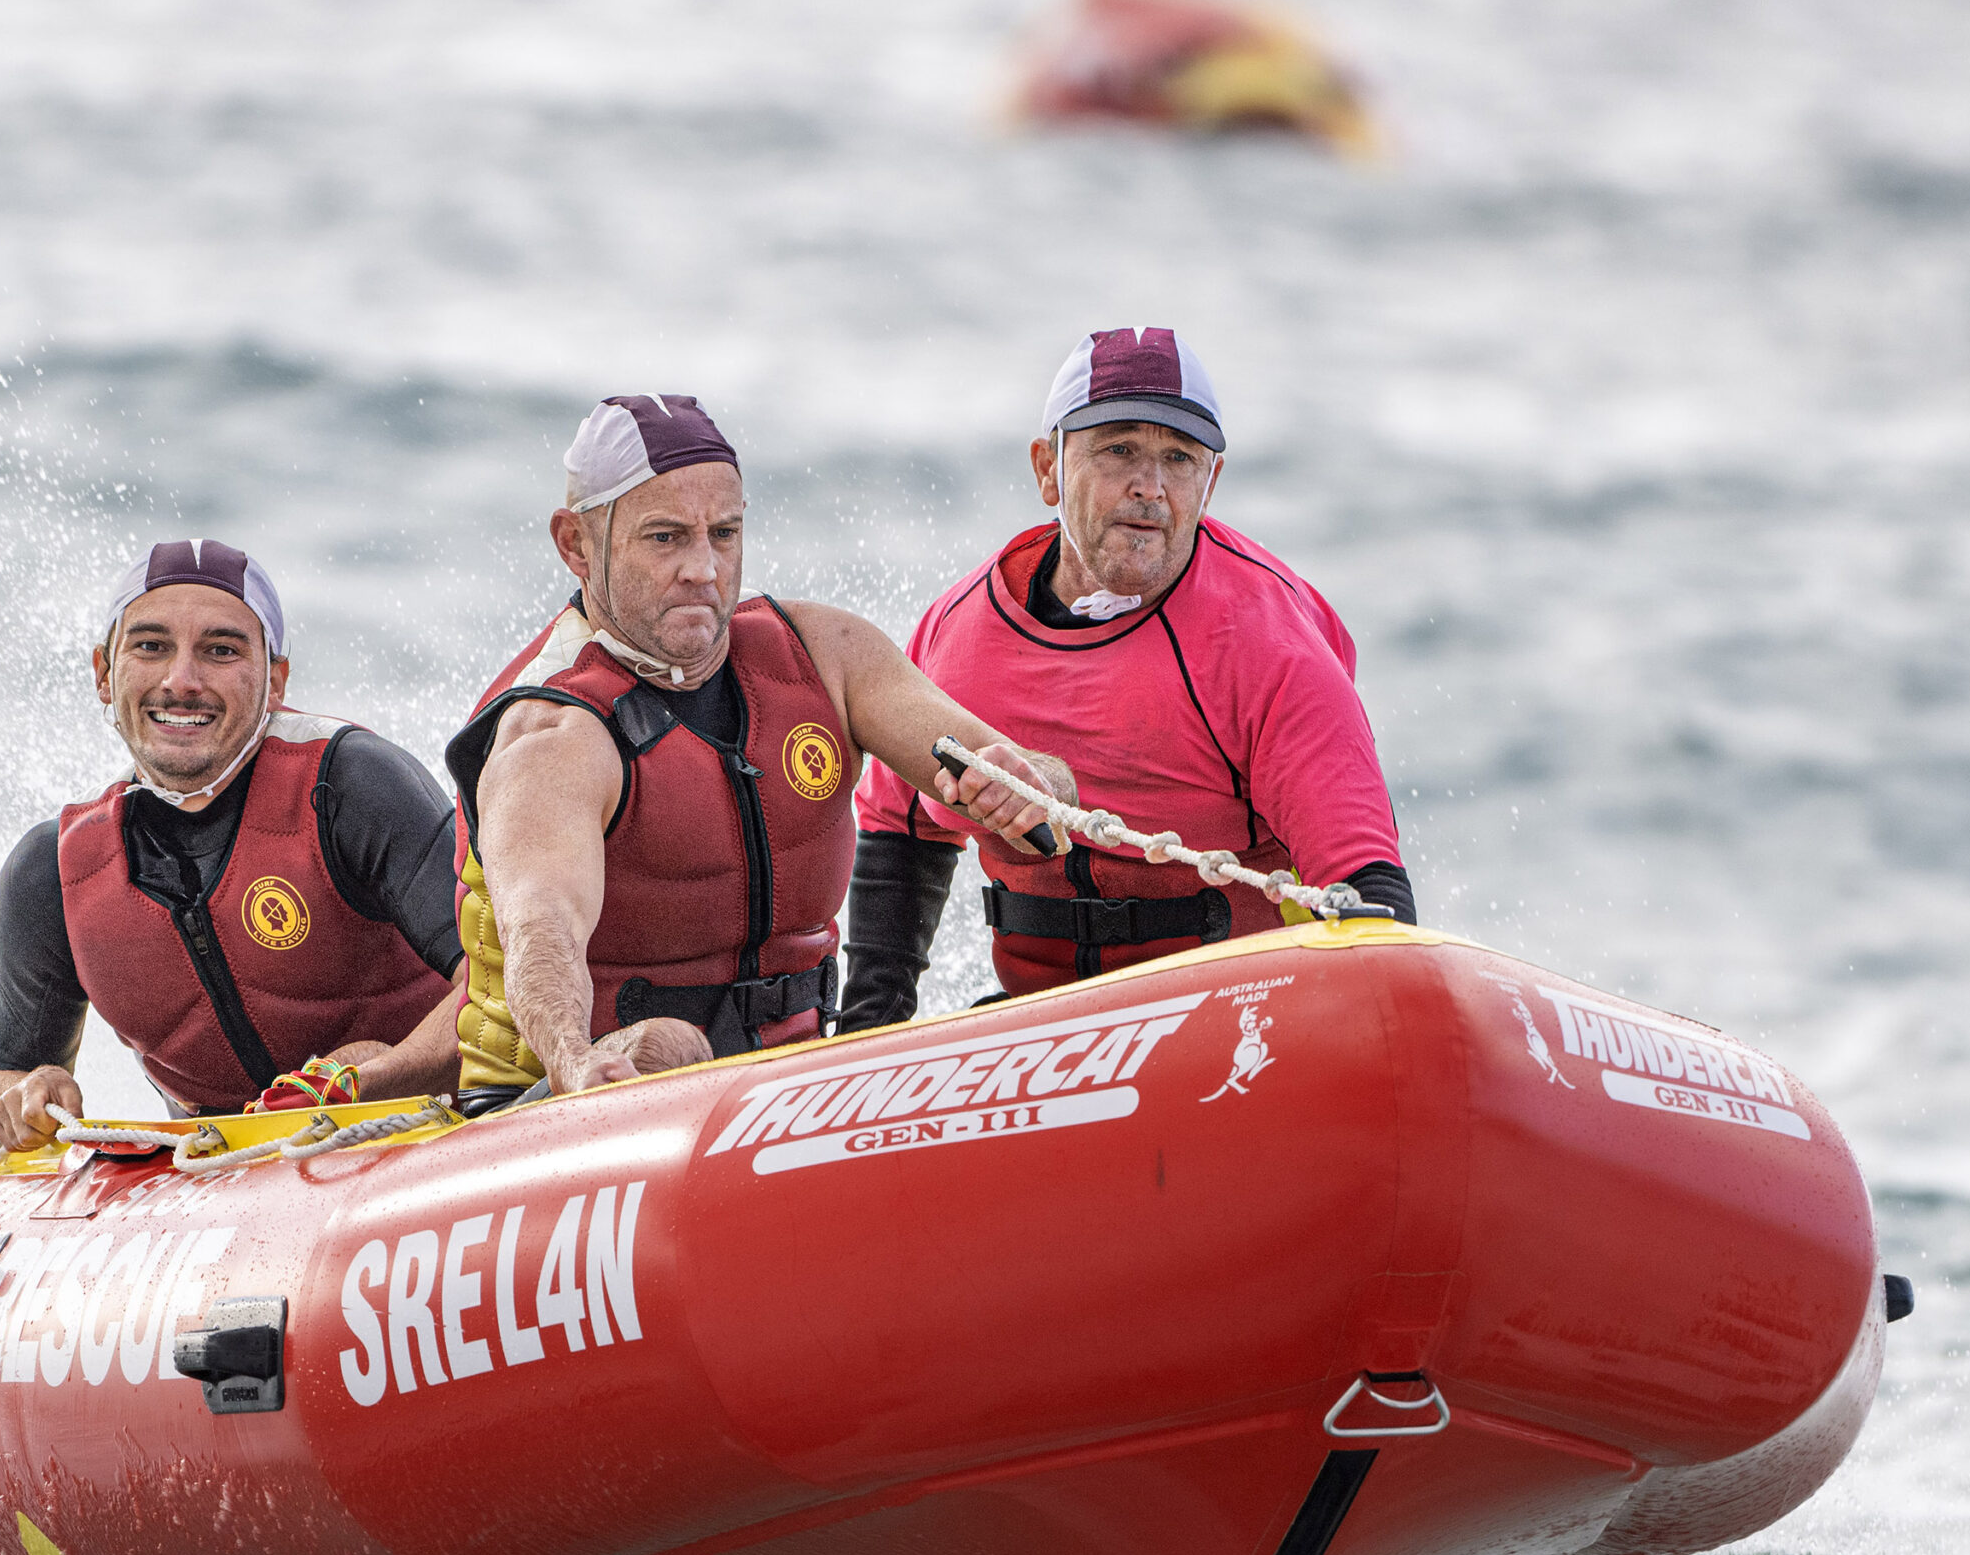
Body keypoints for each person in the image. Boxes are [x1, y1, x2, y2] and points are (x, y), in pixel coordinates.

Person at [445, 394, 1071, 1111]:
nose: (703, 569)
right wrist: (573, 1061)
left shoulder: (824, 657)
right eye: (665, 538)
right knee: (667, 1049)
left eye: (724, 533)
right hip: (560, 1101)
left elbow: (1027, 778)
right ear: (576, 545)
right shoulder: (552, 734)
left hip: (778, 1092)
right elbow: (541, 930)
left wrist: (1033, 788)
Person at [841, 327, 1413, 1030]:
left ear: (1210, 484)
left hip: (1240, 1019)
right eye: (1118, 450)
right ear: (1048, 468)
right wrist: (870, 1024)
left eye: (1179, 458)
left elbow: (1367, 885)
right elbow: (896, 831)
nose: (1150, 487)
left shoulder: (1268, 643)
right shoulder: (958, 637)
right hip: (1040, 1018)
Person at [0, 539, 463, 1149]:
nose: (182, 681)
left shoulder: (352, 786)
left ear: (275, 681)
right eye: (151, 647)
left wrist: (367, 1082)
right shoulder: (53, 871)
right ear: (103, 674)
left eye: (221, 651)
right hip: (215, 1170)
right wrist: (27, 1091)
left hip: (432, 1130)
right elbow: (1, 1074)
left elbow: (502, 980)